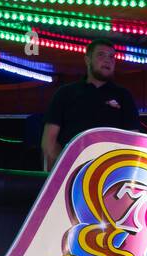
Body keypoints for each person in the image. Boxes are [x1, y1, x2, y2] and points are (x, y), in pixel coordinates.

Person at [41, 37, 139, 169]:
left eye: (111, 57)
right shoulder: (65, 93)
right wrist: (57, 176)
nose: (107, 60)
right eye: (101, 55)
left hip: (110, 170)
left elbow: (132, 141)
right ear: (87, 60)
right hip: (70, 168)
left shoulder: (124, 96)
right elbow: (49, 141)